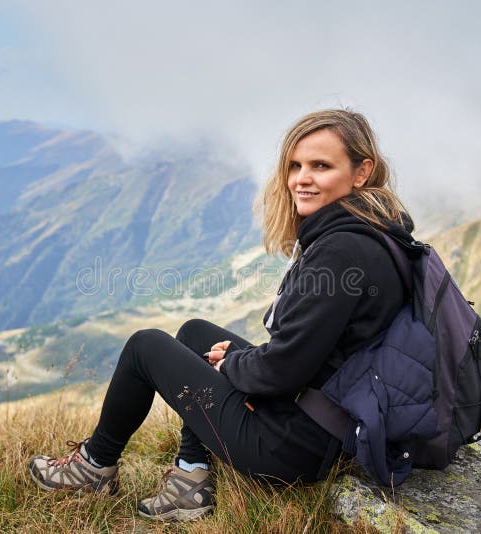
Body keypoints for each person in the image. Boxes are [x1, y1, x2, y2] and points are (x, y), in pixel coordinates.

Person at [28, 108, 415, 522]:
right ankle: (190, 478)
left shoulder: (341, 250)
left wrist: (233, 364)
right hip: (334, 421)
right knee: (196, 333)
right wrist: (239, 361)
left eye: (321, 166)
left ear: (361, 172)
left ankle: (93, 467)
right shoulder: (374, 232)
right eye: (295, 165)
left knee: (145, 347)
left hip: (296, 446)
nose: (302, 178)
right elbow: (312, 354)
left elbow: (285, 371)